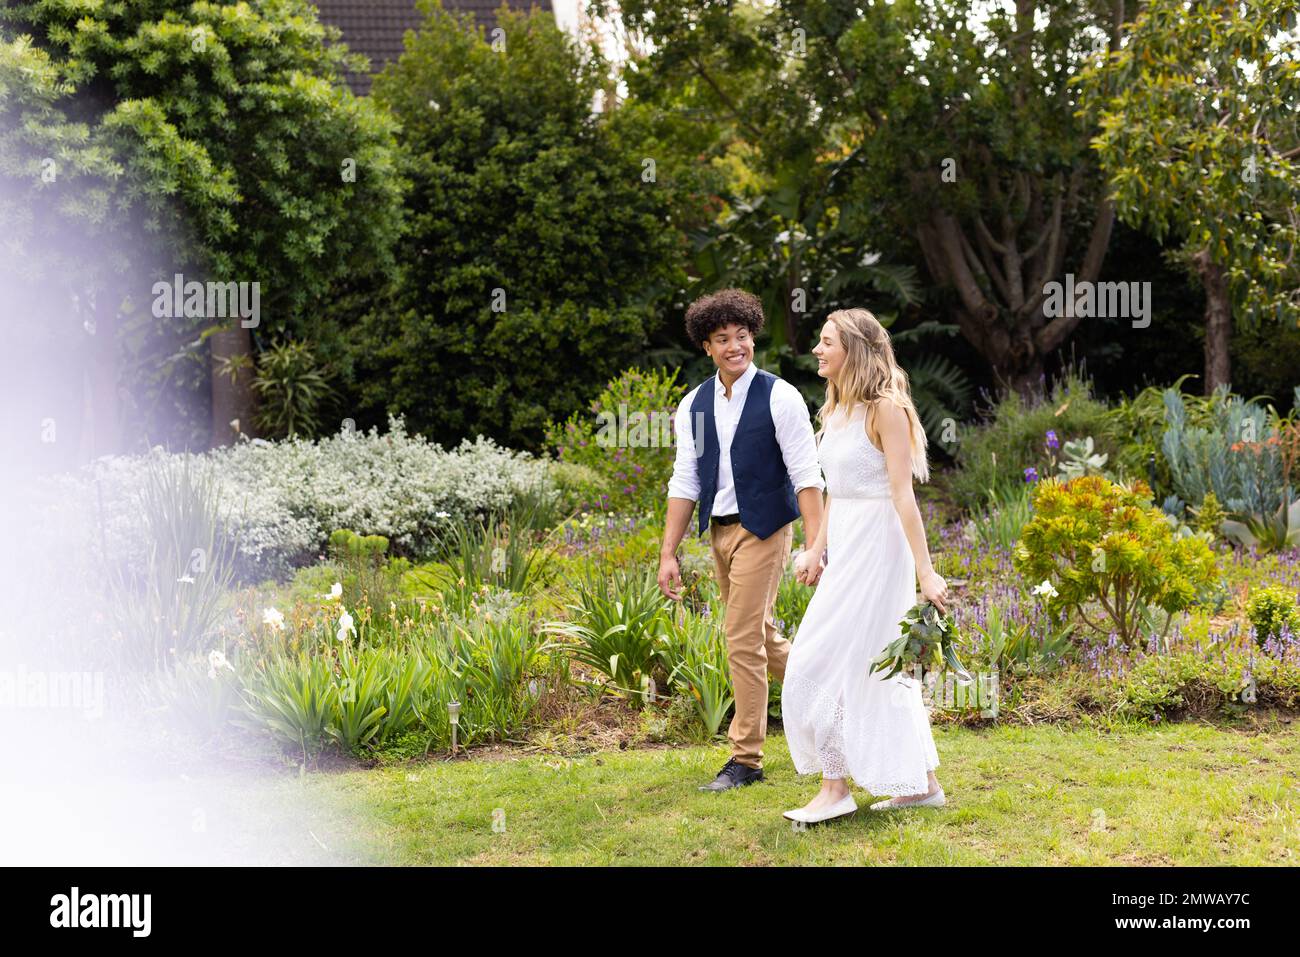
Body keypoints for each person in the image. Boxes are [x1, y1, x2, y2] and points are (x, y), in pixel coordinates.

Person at [780, 307, 948, 824]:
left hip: (880, 547)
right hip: (848, 540)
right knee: (867, 665)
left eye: (827, 341)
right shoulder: (834, 410)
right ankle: (921, 785)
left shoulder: (885, 410)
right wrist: (815, 548)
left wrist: (926, 570)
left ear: (853, 348)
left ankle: (835, 790)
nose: (817, 350)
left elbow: (903, 495)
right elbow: (835, 493)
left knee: (822, 657)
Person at [657, 289, 825, 792]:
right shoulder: (693, 406)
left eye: (743, 336)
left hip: (766, 526)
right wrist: (669, 552)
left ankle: (746, 759)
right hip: (721, 530)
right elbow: (685, 480)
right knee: (758, 633)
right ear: (706, 346)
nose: (736, 346)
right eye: (723, 339)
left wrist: (815, 545)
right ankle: (828, 694)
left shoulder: (779, 395)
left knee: (740, 638)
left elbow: (806, 474)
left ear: (753, 336)